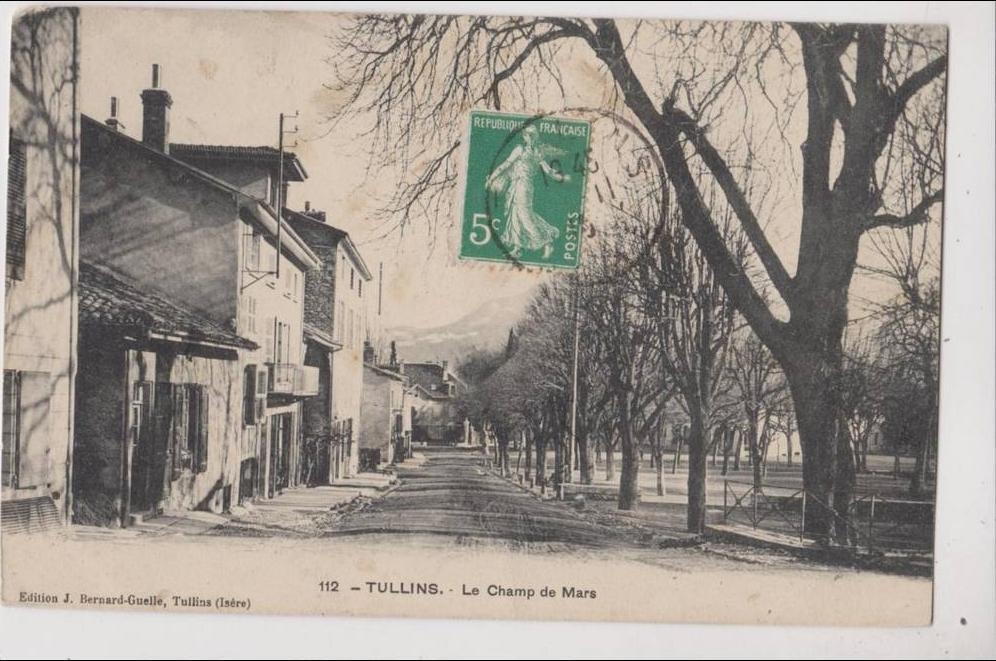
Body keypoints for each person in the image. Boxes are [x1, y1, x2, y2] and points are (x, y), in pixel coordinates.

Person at [485, 124, 571, 259]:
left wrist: (561, 177)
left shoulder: (537, 152)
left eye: (532, 135)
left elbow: (548, 170)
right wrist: (493, 177)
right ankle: (517, 248)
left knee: (525, 215)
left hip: (525, 186)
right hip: (516, 185)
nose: (529, 137)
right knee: (515, 215)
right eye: (527, 135)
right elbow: (506, 164)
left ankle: (547, 242)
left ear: (535, 136)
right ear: (524, 136)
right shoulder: (521, 149)